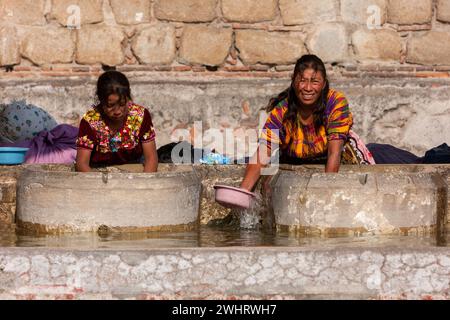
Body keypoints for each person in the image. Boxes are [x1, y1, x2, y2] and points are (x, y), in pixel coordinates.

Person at [240, 54, 374, 191]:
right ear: (293, 82)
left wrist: (325, 192)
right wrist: (242, 192)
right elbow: (263, 152)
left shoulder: (335, 103)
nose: (308, 88)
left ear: (324, 84)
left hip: (331, 156)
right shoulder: (282, 111)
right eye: (302, 81)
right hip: (294, 158)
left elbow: (334, 153)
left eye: (314, 82)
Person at [75, 71, 158, 172]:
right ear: (101, 100)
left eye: (122, 104)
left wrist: (143, 185)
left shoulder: (140, 116)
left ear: (128, 98)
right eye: (110, 106)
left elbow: (151, 158)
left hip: (135, 171)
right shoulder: (90, 122)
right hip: (99, 173)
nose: (117, 112)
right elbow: (82, 164)